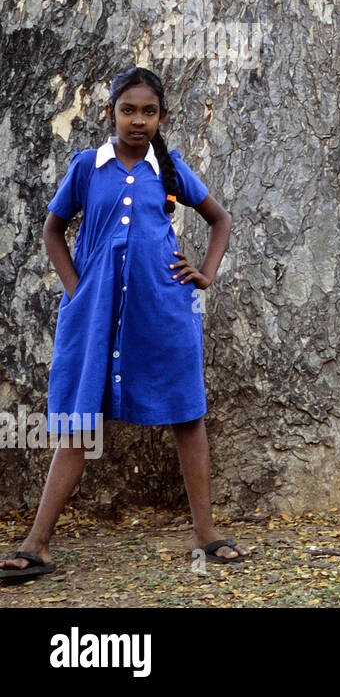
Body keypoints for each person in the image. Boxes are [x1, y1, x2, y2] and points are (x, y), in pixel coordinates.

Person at [2, 68, 243, 585]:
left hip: (162, 309)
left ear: (161, 117)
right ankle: (36, 542)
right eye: (128, 110)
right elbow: (53, 230)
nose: (138, 120)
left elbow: (219, 219)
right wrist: (75, 288)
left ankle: (205, 533)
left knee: (186, 412)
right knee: (79, 421)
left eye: (149, 112)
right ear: (109, 111)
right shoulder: (88, 167)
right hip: (94, 312)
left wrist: (205, 272)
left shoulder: (172, 170)